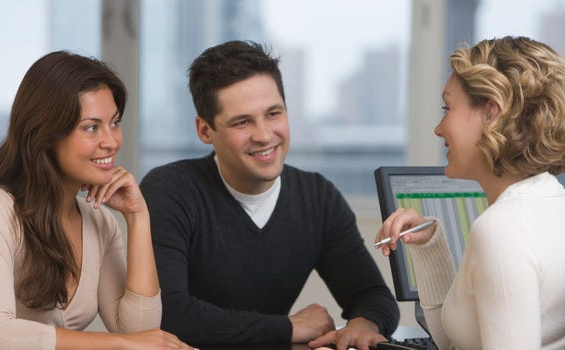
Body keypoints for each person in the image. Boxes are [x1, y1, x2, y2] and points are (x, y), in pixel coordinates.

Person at [139, 40, 399, 349]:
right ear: (204, 130)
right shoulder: (169, 190)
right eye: (242, 121)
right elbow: (169, 315)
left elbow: (374, 297)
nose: (264, 135)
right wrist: (287, 327)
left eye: (273, 114)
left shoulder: (317, 198)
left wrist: (362, 324)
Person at [0, 51, 193, 349]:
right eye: (91, 127)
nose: (111, 141)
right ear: (46, 135)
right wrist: (118, 344)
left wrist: (138, 218)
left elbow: (139, 331)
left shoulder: (99, 221)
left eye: (114, 122)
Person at [375, 36, 565, 349]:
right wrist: (429, 248)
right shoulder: (560, 206)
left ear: (492, 114)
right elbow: (457, 343)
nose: (438, 128)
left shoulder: (502, 230)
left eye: (447, 108)